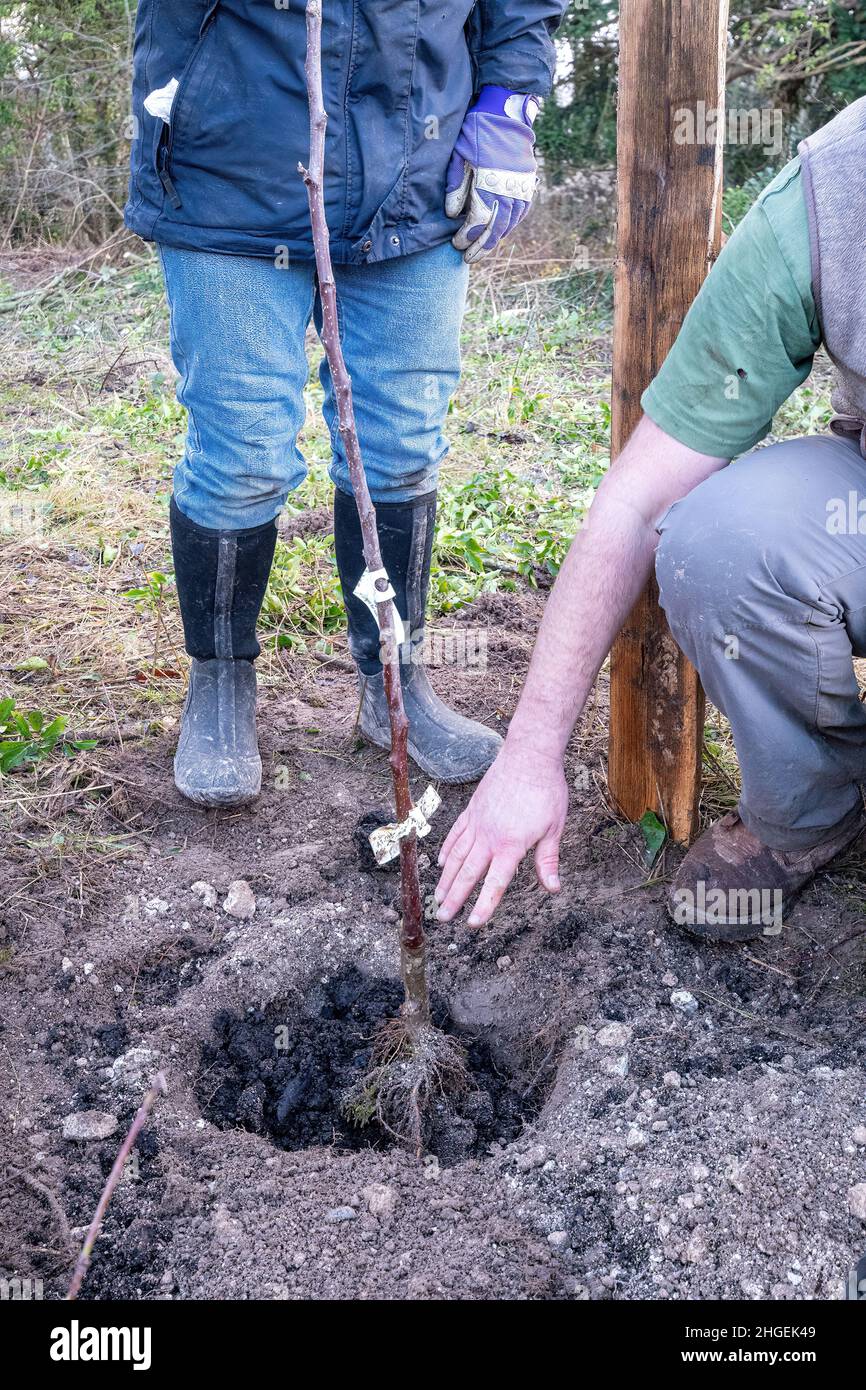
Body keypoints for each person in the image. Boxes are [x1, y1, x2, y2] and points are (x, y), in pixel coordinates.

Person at [435, 94, 866, 943]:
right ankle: (817, 806)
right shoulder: (833, 192)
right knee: (721, 543)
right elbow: (638, 498)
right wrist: (527, 758)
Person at [124, 0, 565, 806]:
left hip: (414, 175)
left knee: (401, 445)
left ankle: (397, 682)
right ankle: (220, 681)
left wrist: (508, 102)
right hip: (228, 168)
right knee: (242, 453)